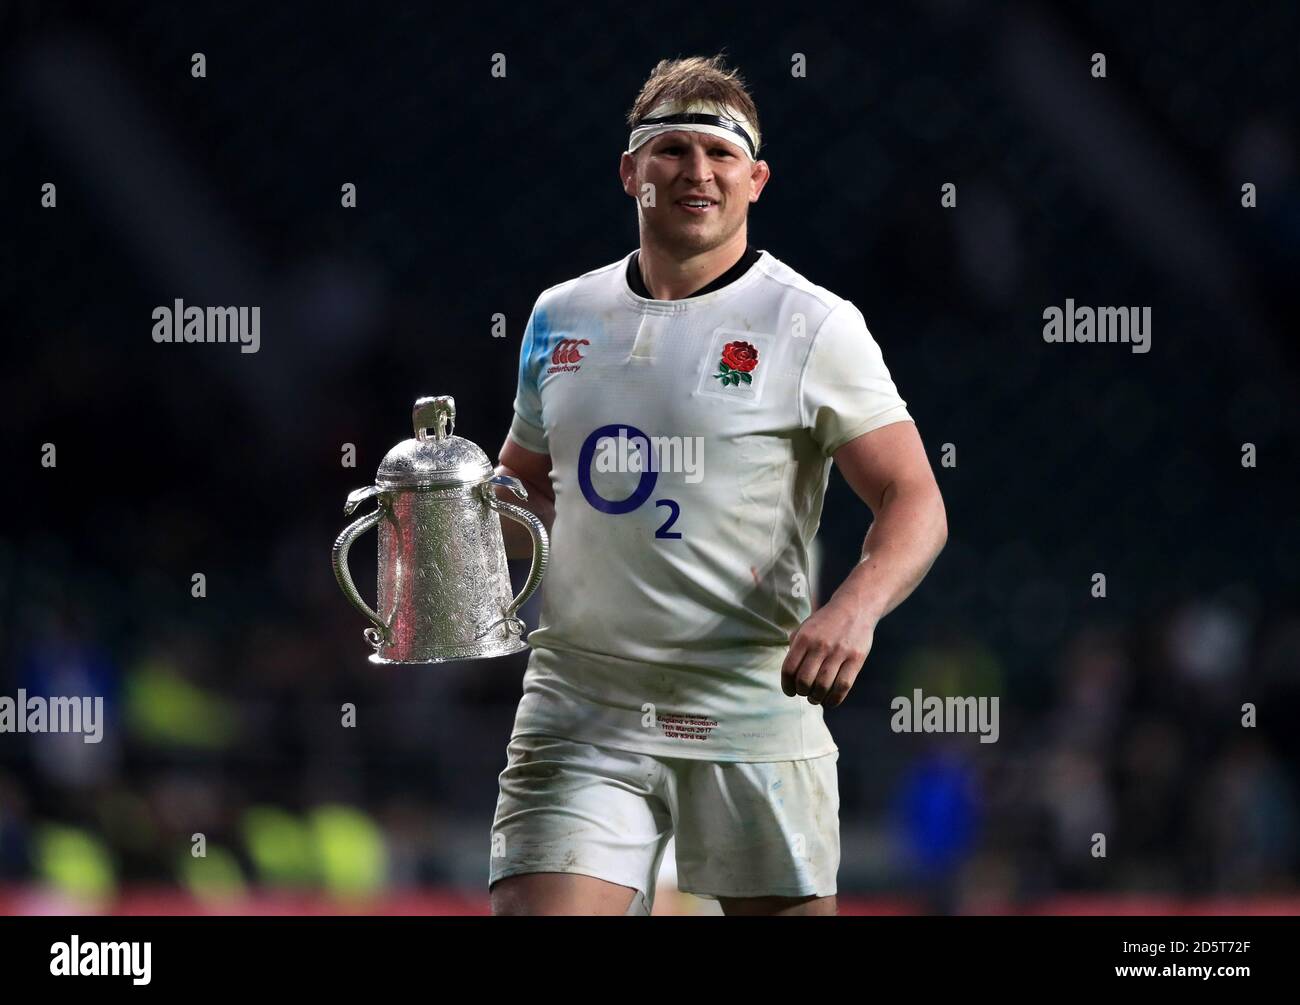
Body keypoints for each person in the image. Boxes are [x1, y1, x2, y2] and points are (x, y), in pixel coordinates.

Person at [488, 54, 947, 916]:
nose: (696, 171)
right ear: (631, 170)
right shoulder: (561, 316)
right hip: (582, 704)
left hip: (750, 702)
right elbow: (527, 493)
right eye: (671, 149)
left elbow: (916, 497)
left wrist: (855, 607)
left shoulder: (811, 323)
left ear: (756, 178)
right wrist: (451, 514)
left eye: (720, 153)